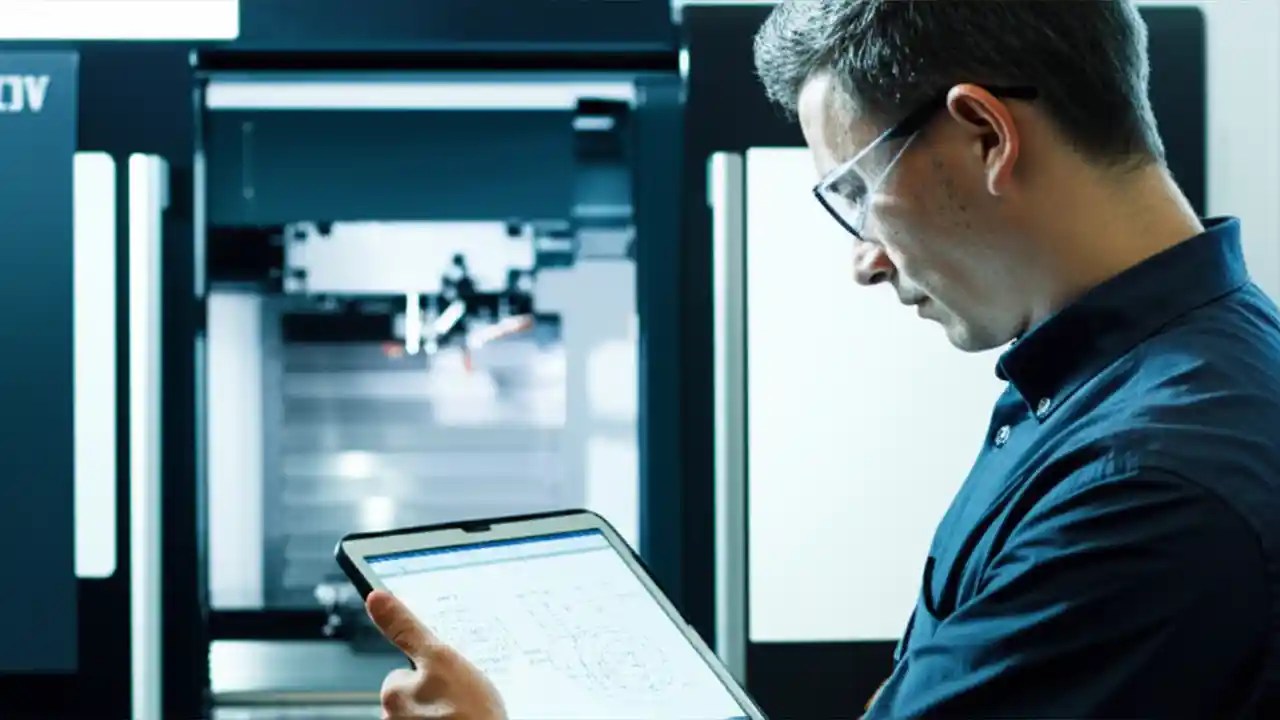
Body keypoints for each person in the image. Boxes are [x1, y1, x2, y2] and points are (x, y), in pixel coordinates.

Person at [363, 1, 1280, 717]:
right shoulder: (1124, 389)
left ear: (986, 135)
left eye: (856, 191)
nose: (864, 260)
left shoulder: (1149, 481)